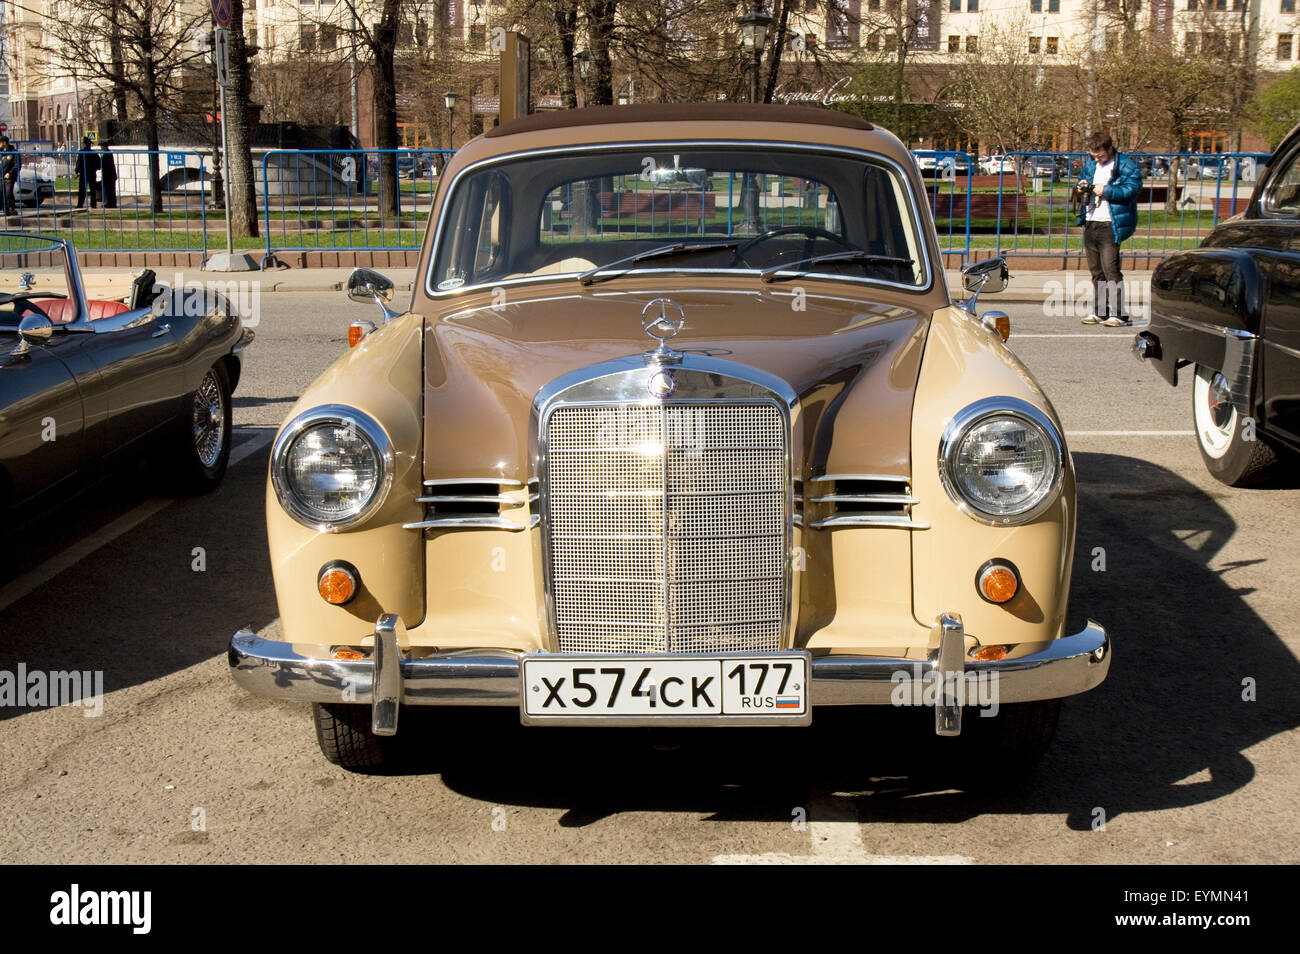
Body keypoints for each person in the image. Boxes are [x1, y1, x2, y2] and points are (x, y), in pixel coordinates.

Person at [1074, 130, 1142, 327]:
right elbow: (1081, 181)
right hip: (1091, 220)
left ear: (1109, 149)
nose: (1097, 159)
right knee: (1096, 271)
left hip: (1110, 223)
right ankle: (1100, 312)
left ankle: (1119, 313)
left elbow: (1134, 187)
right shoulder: (1091, 164)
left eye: (1101, 155)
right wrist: (1081, 187)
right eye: (1094, 155)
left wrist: (1106, 190)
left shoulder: (1123, 164)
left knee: (1111, 269)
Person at [75, 135, 99, 209]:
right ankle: (93, 204)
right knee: (93, 190)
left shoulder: (82, 152)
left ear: (84, 144)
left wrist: (77, 171)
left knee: (82, 190)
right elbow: (98, 164)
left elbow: (79, 162)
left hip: (84, 173)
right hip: (92, 173)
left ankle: (80, 204)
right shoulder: (94, 153)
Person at [0, 137, 18, 216]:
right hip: (0, 177)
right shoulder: (0, 152)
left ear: (4, 143)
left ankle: (11, 209)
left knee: (8, 193)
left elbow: (17, 165)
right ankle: (6, 209)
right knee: (1, 193)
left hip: (9, 177)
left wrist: (10, 173)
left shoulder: (13, 152)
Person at [97, 141, 118, 208]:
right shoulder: (107, 153)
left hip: (109, 176)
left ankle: (110, 203)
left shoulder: (107, 154)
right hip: (109, 176)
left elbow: (104, 164)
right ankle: (111, 203)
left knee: (109, 190)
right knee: (110, 190)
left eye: (101, 147)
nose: (101, 148)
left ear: (104, 147)